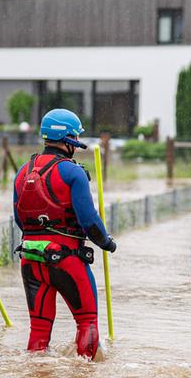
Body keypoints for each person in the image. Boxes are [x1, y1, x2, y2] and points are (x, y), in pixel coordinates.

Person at [13, 109, 117, 358]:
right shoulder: (73, 172)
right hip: (67, 260)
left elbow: (20, 219)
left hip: (30, 259)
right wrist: (107, 243)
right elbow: (89, 220)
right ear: (70, 138)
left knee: (38, 329)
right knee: (87, 322)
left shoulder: (22, 172)